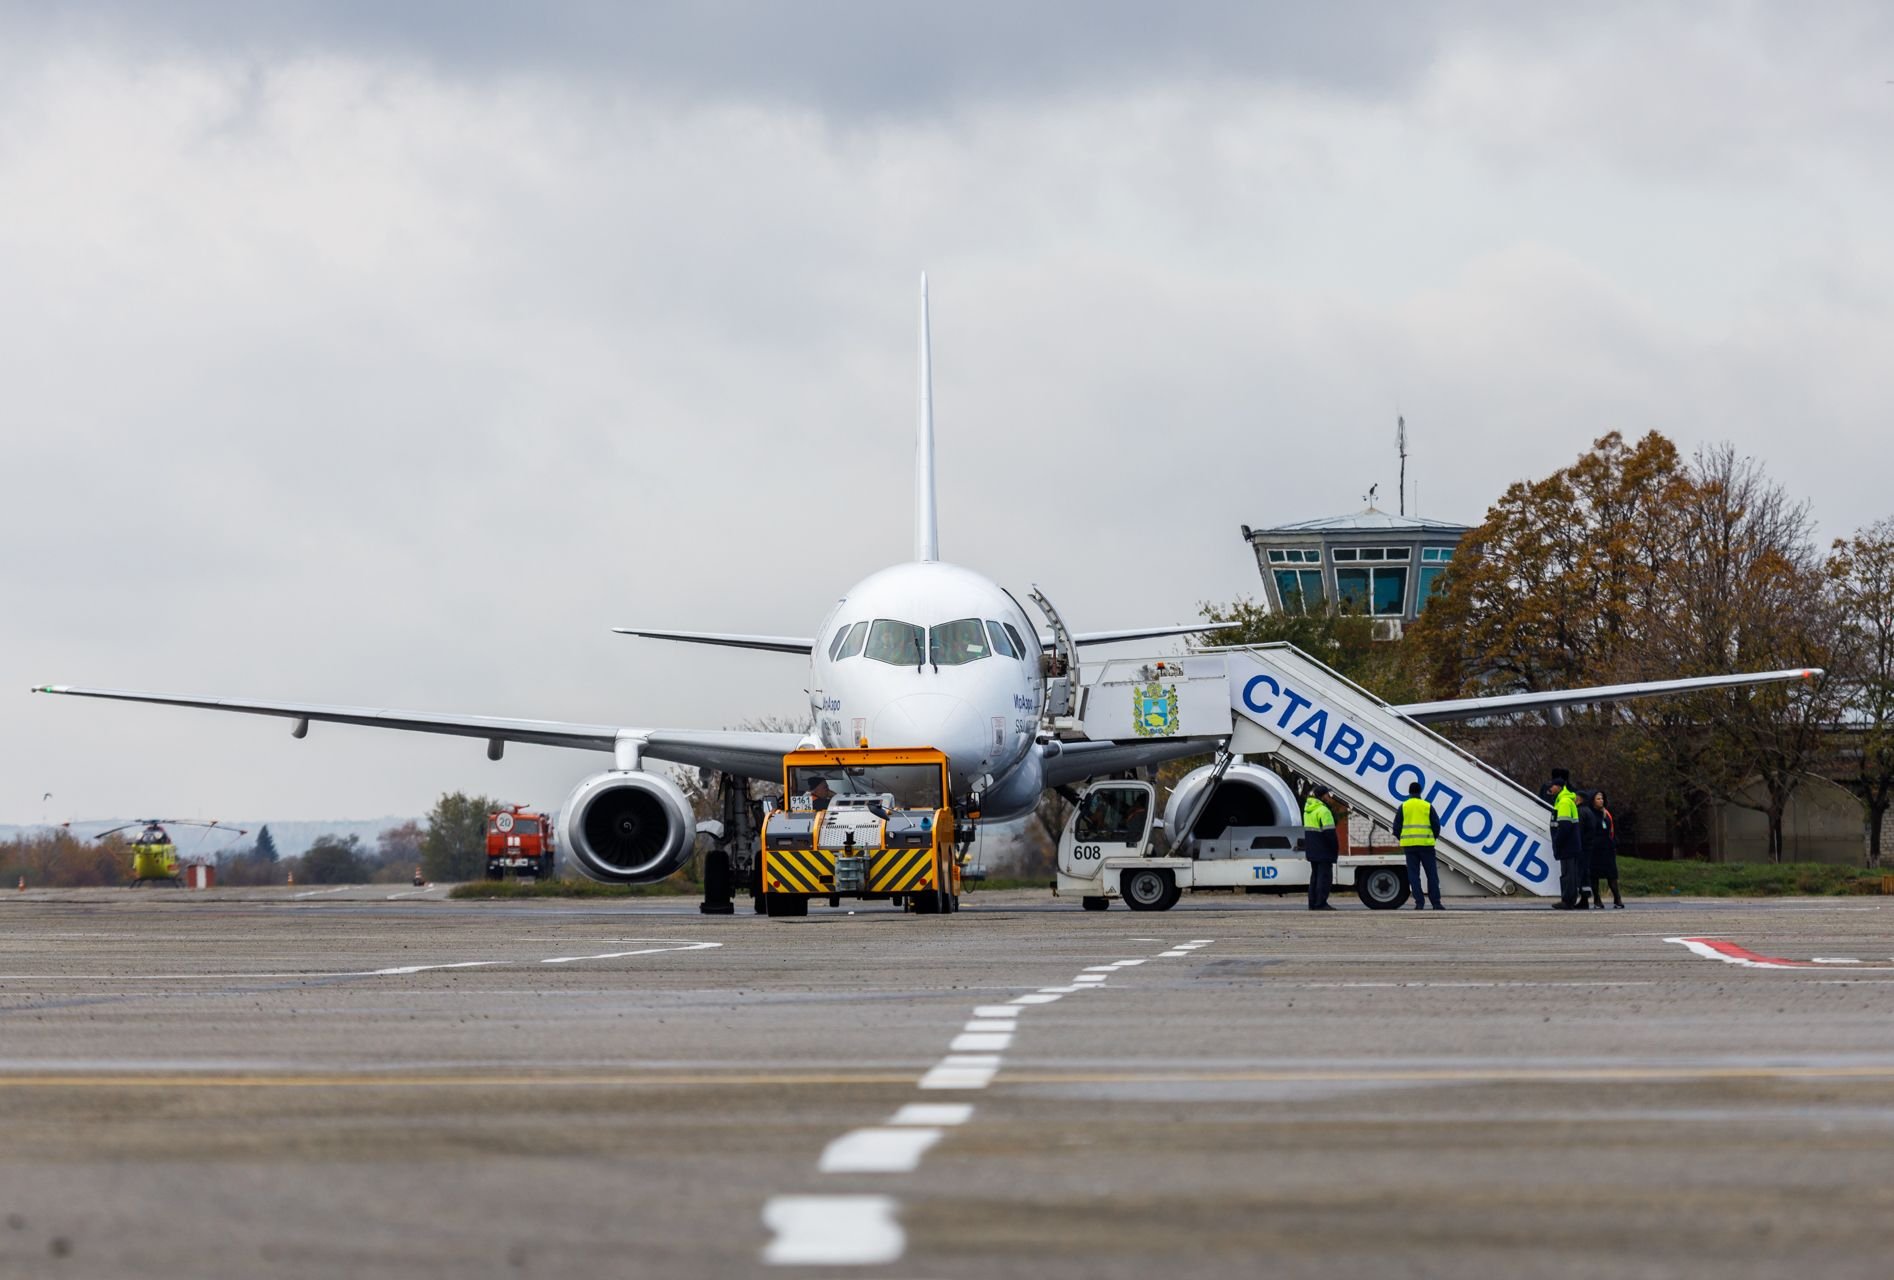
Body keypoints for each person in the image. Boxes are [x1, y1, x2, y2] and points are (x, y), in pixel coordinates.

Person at [1397, 780, 1443, 909]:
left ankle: (1419, 903)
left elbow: (1396, 827)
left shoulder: (1404, 806)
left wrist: (1404, 838)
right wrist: (1432, 837)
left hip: (1410, 846)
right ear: (1420, 791)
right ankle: (1436, 903)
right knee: (1432, 875)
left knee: (1413, 875)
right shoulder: (1427, 806)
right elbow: (1436, 825)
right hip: (1426, 845)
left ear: (1409, 792)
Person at [1547, 769, 1582, 908]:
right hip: (1570, 844)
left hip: (1567, 844)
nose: (1550, 788)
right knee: (1569, 873)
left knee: (1568, 874)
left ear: (1559, 787)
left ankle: (1567, 900)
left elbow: (1565, 826)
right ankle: (1569, 899)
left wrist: (1558, 841)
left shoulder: (1564, 802)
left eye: (1553, 785)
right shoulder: (1564, 800)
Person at [1582, 790, 1622, 908]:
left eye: (1602, 799)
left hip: (1607, 848)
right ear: (1593, 801)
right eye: (1598, 799)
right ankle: (1597, 899)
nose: (1601, 801)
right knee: (1594, 876)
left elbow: (1611, 830)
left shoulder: (1606, 813)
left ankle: (1617, 898)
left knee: (1612, 875)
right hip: (1594, 849)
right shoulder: (1589, 814)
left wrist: (1613, 843)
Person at [1303, 786, 1339, 910]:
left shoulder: (1308, 810)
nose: (1329, 797)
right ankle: (1321, 903)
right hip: (1324, 849)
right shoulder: (1323, 811)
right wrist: (1335, 849)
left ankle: (1312, 903)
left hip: (1313, 849)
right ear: (1323, 796)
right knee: (1324, 878)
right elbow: (1330, 834)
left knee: (1315, 877)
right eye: (1328, 795)